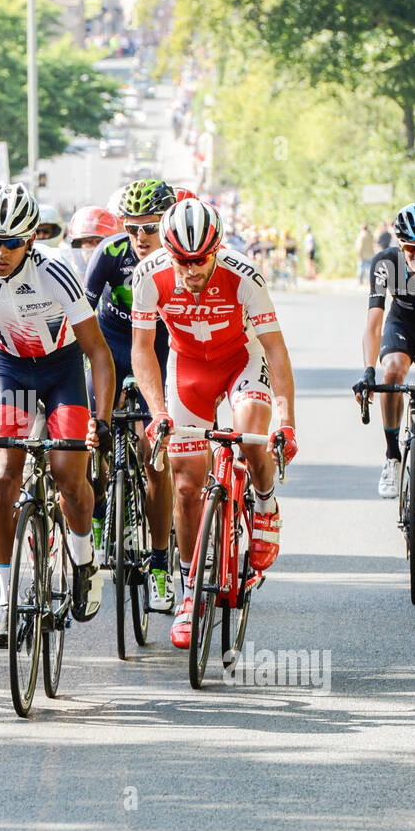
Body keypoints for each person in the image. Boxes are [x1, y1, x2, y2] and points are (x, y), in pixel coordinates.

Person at [0, 182, 116, 646]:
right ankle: (5, 600)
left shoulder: (58, 273)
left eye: (12, 243)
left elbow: (98, 353)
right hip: (9, 370)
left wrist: (101, 420)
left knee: (67, 473)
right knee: (3, 477)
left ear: (32, 240)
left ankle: (84, 562)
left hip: (63, 369)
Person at [130, 198, 297, 649]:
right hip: (188, 370)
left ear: (216, 249)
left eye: (200, 259)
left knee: (251, 435)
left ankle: (263, 505)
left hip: (242, 361)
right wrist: (157, 411)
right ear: (167, 252)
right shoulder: (148, 276)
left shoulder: (244, 275)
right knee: (186, 486)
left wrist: (288, 422)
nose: (190, 269)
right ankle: (190, 595)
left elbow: (276, 351)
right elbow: (143, 351)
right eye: (181, 260)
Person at [83, 179, 176, 611]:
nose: (140, 237)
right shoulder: (108, 254)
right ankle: (100, 508)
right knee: (92, 432)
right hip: (110, 344)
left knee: (151, 448)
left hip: (155, 349)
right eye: (132, 227)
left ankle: (159, 563)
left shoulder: (180, 258)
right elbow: (79, 314)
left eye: (151, 228)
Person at [356, 202, 415, 498]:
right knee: (391, 373)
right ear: (399, 243)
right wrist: (369, 371)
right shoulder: (385, 263)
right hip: (402, 322)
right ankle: (392, 456)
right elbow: (373, 323)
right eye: (410, 249)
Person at [64, 205, 122, 282]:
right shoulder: (70, 278)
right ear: (78, 246)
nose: (96, 248)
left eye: (101, 242)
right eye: (89, 242)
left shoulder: (124, 277)